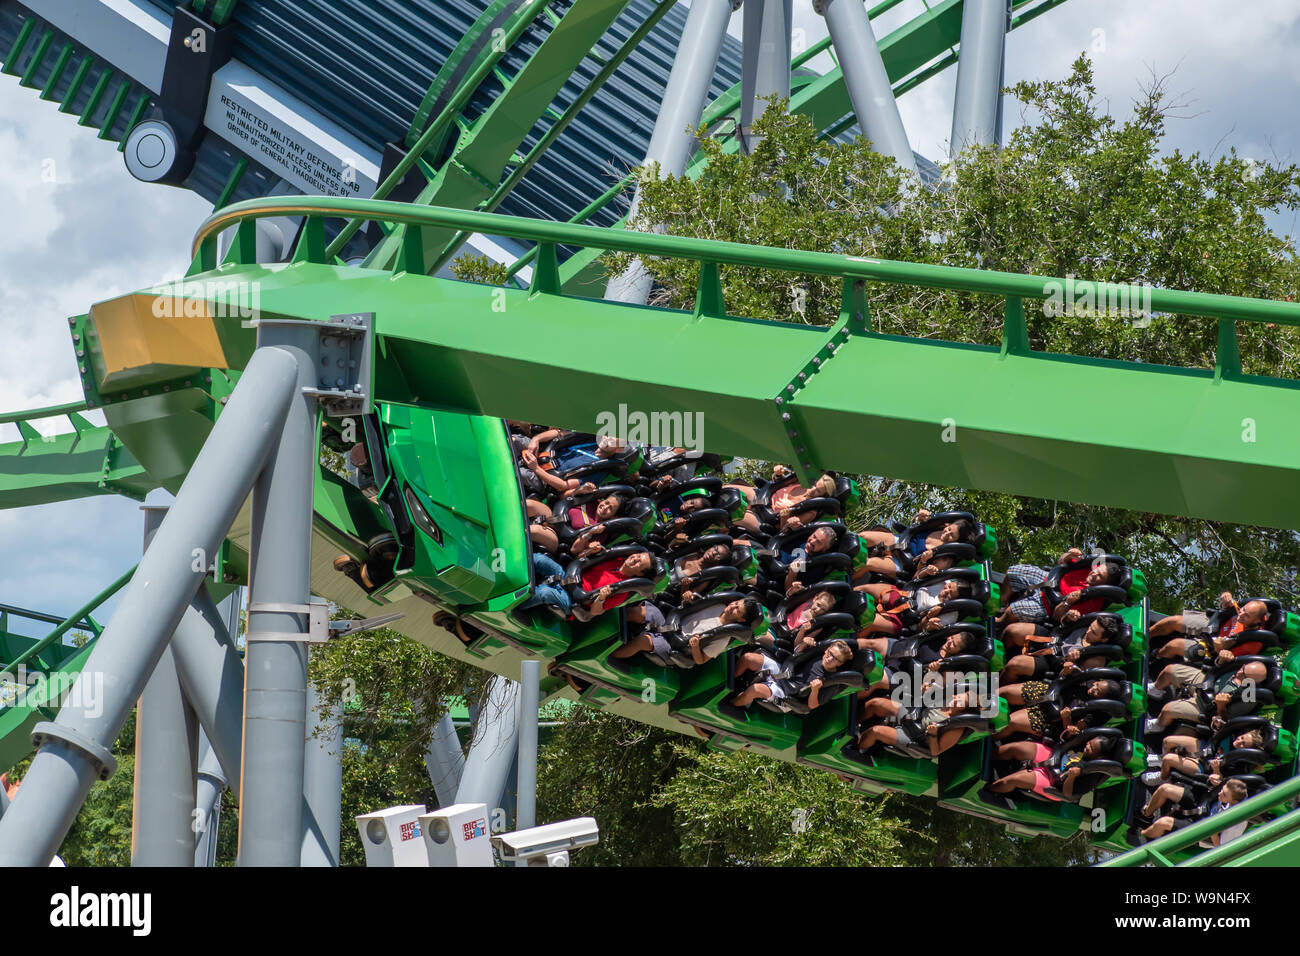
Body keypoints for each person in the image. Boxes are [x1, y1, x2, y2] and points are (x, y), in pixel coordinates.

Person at [852, 510, 976, 582]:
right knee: (863, 537)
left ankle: (844, 579)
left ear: (956, 542)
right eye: (949, 529)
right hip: (900, 542)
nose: (946, 533)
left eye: (951, 535)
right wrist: (921, 517)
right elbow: (917, 524)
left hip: (902, 564)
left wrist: (925, 562)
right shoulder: (939, 525)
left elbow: (917, 576)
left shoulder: (946, 558)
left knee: (868, 563)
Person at [730, 639, 854, 710]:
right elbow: (797, 653)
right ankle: (729, 684)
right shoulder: (817, 654)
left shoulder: (832, 683)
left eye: (836, 659)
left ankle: (730, 704)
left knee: (755, 689)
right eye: (830, 653)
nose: (830, 658)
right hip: (783, 673)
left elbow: (812, 706)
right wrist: (805, 643)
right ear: (827, 649)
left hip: (787, 693)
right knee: (748, 658)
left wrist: (815, 690)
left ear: (840, 664)